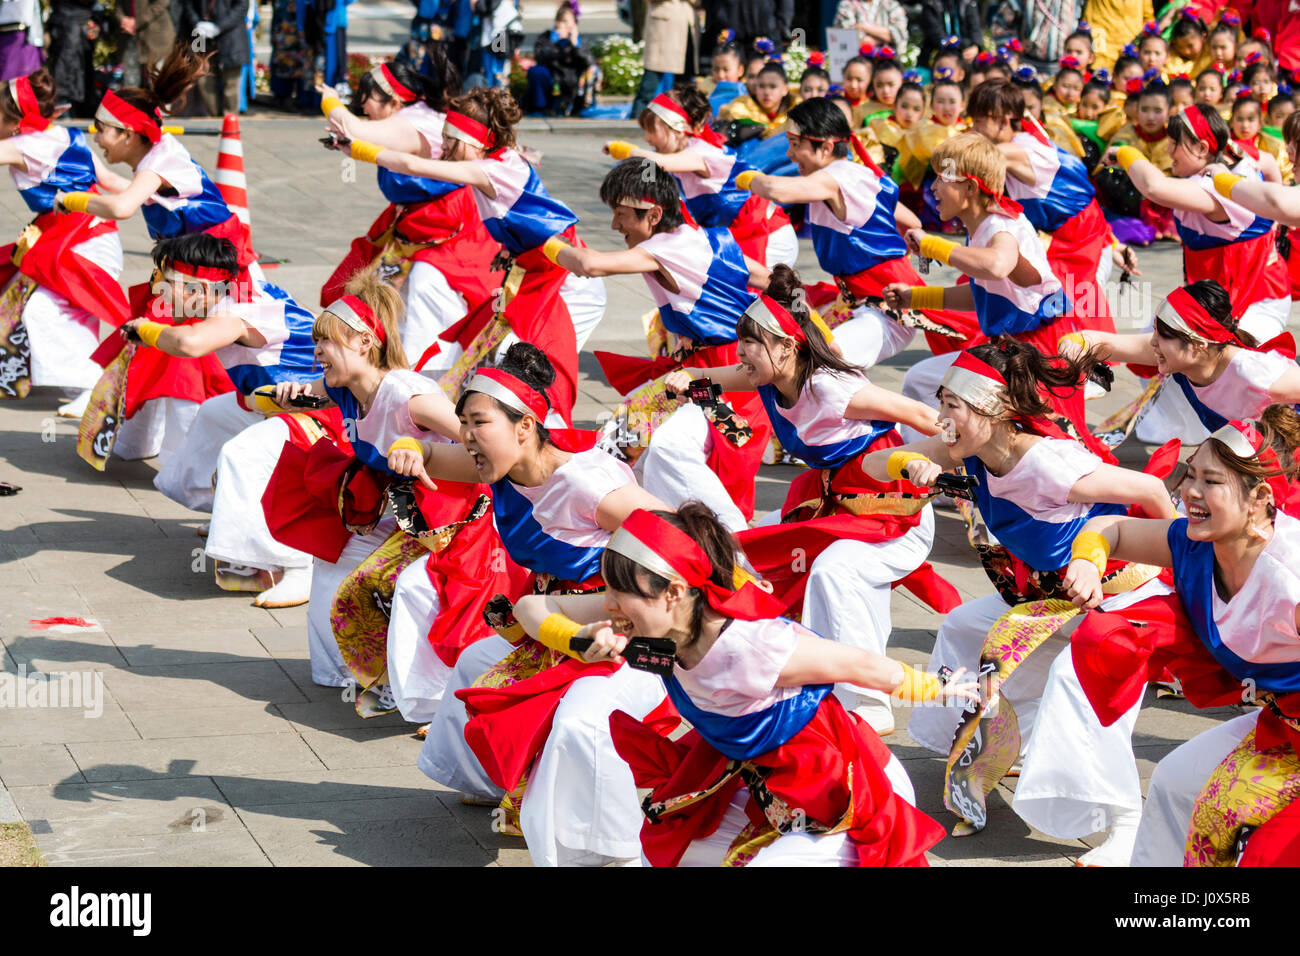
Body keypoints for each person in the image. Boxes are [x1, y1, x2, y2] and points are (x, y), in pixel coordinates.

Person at [516, 503, 974, 866]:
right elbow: (531, 607)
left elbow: (860, 665)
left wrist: (940, 688)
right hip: (763, 782)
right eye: (609, 590)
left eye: (621, 591)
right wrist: (573, 638)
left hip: (840, 785)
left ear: (675, 592)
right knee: (673, 848)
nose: (610, 604)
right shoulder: (656, 620)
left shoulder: (750, 647)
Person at [861, 341, 1177, 863]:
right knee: (965, 626)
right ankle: (993, 750)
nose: (940, 417)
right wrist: (908, 459)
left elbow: (1149, 490)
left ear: (995, 410)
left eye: (951, 407)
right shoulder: (972, 449)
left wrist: (1176, 569)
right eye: (940, 402)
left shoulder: (1051, 464)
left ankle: (1124, 823)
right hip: (1054, 601)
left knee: (1080, 684)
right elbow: (873, 466)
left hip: (1125, 599)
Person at [397, 343, 672, 866]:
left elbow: (678, 536)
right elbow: (430, 456)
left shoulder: (586, 485)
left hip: (622, 636)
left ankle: (612, 849)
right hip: (554, 620)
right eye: (463, 423)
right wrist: (410, 446)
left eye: (478, 422)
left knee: (574, 720)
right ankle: (486, 781)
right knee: (476, 667)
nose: (467, 436)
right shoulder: (499, 468)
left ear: (523, 426)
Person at [666, 265, 951, 734]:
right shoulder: (769, 376)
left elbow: (921, 413)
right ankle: (782, 668)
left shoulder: (834, 389)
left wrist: (948, 459)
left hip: (890, 502)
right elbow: (721, 377)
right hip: (835, 497)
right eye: (742, 342)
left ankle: (865, 698)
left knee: (830, 572)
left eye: (752, 343)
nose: (742, 353)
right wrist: (691, 375)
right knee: (759, 554)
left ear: (787, 345)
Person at [261, 269, 510, 718]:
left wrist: (423, 450)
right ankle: (350, 672)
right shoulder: (345, 389)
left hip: (455, 516)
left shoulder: (407, 396)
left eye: (328, 343)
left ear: (364, 343)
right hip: (406, 512)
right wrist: (285, 393)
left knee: (389, 585)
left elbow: (483, 447)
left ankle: (419, 695)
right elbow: (307, 391)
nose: (318, 352)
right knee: (335, 557)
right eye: (317, 343)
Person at [1064, 409, 1300, 866]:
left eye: (1211, 482)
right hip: (1282, 725)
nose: (1188, 491)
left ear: (1260, 498)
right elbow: (1108, 529)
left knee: (1271, 853)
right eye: (1189, 475)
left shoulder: (1290, 580)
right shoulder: (1196, 544)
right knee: (1176, 782)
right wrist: (1088, 562)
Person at [335, 85, 606, 423]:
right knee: (495, 362)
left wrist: (359, 149)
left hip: (564, 283)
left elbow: (411, 165)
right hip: (537, 274)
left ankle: (546, 449)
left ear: (476, 141)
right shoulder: (500, 158)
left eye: (451, 139)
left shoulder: (489, 170)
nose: (444, 148)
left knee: (527, 373)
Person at [58, 44, 256, 466]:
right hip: (189, 271)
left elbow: (123, 206)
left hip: (211, 275)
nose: (96, 138)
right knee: (149, 345)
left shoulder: (160, 161)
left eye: (102, 130)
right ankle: (141, 441)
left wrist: (71, 200)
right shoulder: (153, 157)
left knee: (178, 358)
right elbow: (117, 186)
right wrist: (88, 176)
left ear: (127, 134)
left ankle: (193, 457)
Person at [556, 158, 769, 530]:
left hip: (722, 382)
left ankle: (729, 539)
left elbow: (590, 265)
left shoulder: (663, 249)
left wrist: (542, 240)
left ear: (653, 214)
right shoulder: (706, 237)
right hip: (710, 372)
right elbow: (767, 278)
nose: (614, 225)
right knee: (619, 440)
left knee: (662, 447)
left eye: (621, 214)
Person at [118, 234, 324, 605]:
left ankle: (297, 564)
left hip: (317, 413)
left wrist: (146, 330)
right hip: (270, 403)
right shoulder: (234, 294)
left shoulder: (237, 310)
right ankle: (232, 515)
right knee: (213, 416)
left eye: (167, 286)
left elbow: (189, 344)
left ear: (200, 290)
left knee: (241, 455)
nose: (159, 295)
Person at [743, 97, 979, 367]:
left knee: (821, 361)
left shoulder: (835, 177)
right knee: (800, 349)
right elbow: (911, 220)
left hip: (886, 310)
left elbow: (777, 190)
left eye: (796, 145)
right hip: (859, 301)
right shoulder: (858, 174)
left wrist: (743, 177)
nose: (789, 154)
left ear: (827, 147)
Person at [886, 133, 1091, 438]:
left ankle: (936, 466)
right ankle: (931, 468)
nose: (933, 188)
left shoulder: (1001, 226)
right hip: (1015, 348)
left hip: (1040, 351)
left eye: (943, 178)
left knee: (1056, 444)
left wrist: (933, 246)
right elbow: (985, 294)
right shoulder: (983, 226)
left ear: (970, 187)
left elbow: (996, 266)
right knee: (922, 381)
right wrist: (915, 298)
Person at [316, 54, 498, 375]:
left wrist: (329, 98)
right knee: (375, 295)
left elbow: (351, 126)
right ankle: (392, 367)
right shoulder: (414, 118)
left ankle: (417, 373)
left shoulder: (412, 122)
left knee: (422, 294)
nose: (364, 107)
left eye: (367, 98)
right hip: (416, 227)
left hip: (446, 230)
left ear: (394, 99)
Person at [1103, 101, 1291, 345]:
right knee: (1154, 345)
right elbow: (1267, 161)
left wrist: (1124, 153)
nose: (1169, 151)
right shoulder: (1238, 153)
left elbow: (1155, 187)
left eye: (1174, 144)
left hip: (1256, 298)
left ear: (1203, 148)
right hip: (1217, 295)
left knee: (1232, 370)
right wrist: (1274, 217)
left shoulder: (1215, 186)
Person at [0, 69, 128, 416]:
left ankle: (92, 385)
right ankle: (18, 374)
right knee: (14, 292)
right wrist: (156, 194)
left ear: (14, 120)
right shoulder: (69, 136)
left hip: (77, 245)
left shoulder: (20, 146)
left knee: (44, 310)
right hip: (83, 238)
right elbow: (111, 180)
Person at [967, 80, 1133, 335]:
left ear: (1001, 119)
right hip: (1069, 238)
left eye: (979, 121)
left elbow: (968, 160)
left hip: (1080, 244)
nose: (974, 128)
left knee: (1067, 312)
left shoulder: (1015, 149)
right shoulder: (1024, 140)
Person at [1061, 280, 1300, 446]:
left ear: (1199, 343)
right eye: (1154, 331)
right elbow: (1102, 344)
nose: (1153, 343)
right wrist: (1070, 349)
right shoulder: (1179, 352)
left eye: (1163, 335)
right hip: (1251, 456)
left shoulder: (1256, 373)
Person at [606, 87, 797, 267]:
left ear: (676, 128)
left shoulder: (702, 151)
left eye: (651, 131)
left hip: (767, 234)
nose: (647, 138)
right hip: (739, 234)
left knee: (749, 297)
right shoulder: (682, 155)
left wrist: (622, 149)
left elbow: (659, 162)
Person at [173, 0, 251, 117]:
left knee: (231, 83)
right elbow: (188, 5)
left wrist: (219, 27)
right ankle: (214, 116)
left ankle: (229, 119)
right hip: (202, 36)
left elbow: (242, 6)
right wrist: (197, 24)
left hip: (231, 35)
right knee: (204, 79)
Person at [525, 2, 596, 117]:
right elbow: (540, 57)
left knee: (592, 73)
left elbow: (588, 62)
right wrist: (555, 43)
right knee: (536, 71)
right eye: (560, 21)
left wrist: (575, 46)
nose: (563, 25)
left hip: (572, 79)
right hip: (552, 78)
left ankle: (580, 106)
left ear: (574, 23)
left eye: (566, 21)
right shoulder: (546, 38)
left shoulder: (579, 40)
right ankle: (541, 107)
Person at [630, 0, 698, 116]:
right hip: (664, 27)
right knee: (649, 85)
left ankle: (684, 122)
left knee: (685, 87)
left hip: (686, 25)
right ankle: (635, 123)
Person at [833, 0, 907, 51]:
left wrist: (862, 27)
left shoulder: (891, 4)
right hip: (858, 61)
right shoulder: (846, 4)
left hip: (888, 62)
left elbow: (900, 33)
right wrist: (885, 36)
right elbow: (847, 38)